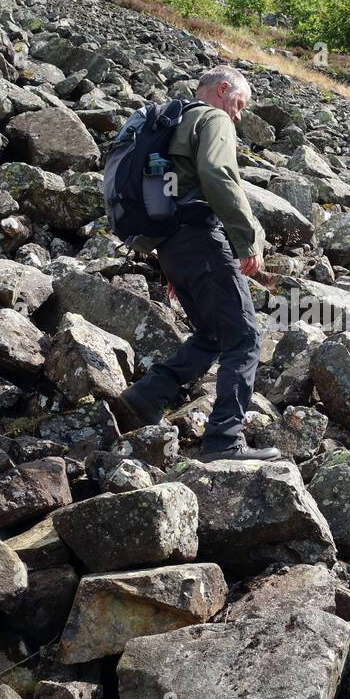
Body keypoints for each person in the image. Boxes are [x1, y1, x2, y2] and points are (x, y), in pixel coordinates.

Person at [114, 66, 281, 461]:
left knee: (210, 336)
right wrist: (247, 240)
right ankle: (225, 440)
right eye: (239, 104)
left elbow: (163, 196)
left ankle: (145, 396)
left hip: (173, 248)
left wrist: (171, 265)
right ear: (223, 90)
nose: (238, 115)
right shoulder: (212, 117)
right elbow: (217, 174)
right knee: (244, 338)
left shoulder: (172, 121)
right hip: (201, 242)